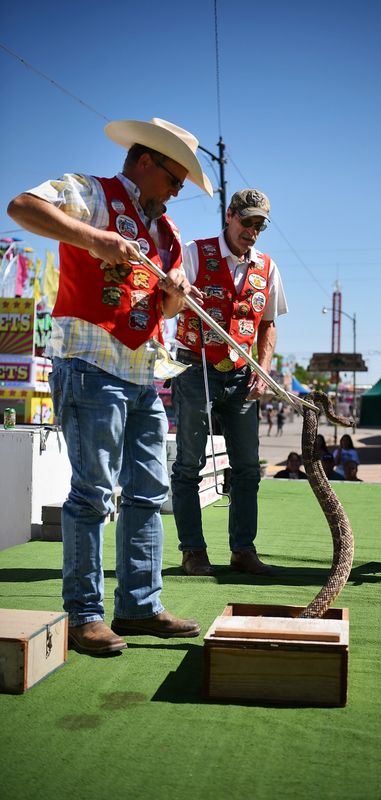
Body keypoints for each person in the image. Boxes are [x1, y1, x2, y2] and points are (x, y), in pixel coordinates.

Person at [7, 117, 213, 655]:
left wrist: (173, 295)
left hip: (143, 373)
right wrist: (93, 238)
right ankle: (84, 613)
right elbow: (22, 206)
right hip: (92, 366)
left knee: (148, 492)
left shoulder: (164, 233)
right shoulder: (91, 192)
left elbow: (163, 309)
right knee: (93, 493)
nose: (175, 192)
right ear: (146, 162)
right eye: (174, 179)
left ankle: (140, 606)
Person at [170, 188, 288, 576]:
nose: (252, 231)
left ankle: (243, 550)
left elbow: (268, 324)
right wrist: (181, 296)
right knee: (189, 464)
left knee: (247, 468)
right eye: (246, 221)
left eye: (259, 225)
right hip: (193, 368)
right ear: (229, 216)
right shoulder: (193, 252)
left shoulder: (267, 266)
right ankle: (193, 552)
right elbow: (165, 300)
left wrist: (263, 369)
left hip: (241, 374)